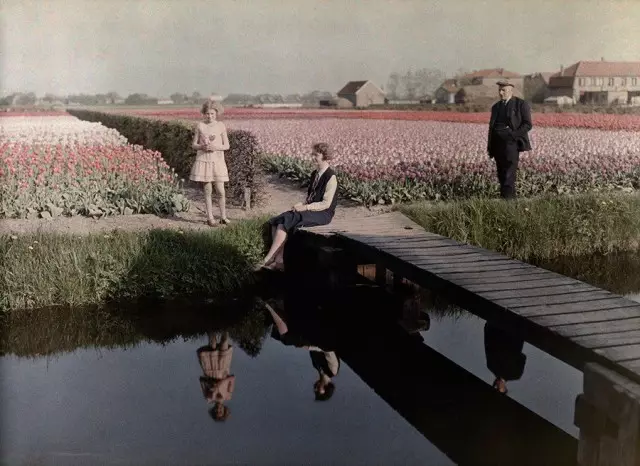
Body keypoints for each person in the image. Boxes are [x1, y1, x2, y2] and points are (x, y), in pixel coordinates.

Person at [256, 142, 338, 271]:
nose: (313, 157)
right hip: (312, 209)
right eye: (313, 154)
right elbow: (311, 197)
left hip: (323, 213)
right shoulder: (315, 174)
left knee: (288, 219)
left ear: (325, 156)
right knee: (277, 220)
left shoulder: (331, 176)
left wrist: (305, 208)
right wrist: (302, 204)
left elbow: (326, 204)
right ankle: (279, 261)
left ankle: (268, 259)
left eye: (316, 155)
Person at [265, 302, 340, 402]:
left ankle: (272, 309)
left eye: (315, 391)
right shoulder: (333, 370)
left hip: (312, 340)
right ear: (326, 390)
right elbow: (328, 349)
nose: (315, 389)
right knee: (287, 338)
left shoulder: (316, 366)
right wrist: (309, 347)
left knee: (281, 336)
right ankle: (269, 305)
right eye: (318, 392)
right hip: (318, 337)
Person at [487, 80, 532, 199]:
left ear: (511, 91)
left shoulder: (521, 104)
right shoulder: (496, 107)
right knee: (501, 176)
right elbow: (491, 128)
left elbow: (527, 124)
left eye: (504, 90)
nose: (501, 93)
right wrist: (490, 147)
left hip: (511, 145)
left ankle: (509, 204)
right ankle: (506, 204)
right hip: (497, 146)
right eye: (499, 90)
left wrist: (512, 135)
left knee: (509, 176)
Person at [190, 100, 231, 226]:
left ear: (216, 113)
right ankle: (210, 217)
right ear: (204, 114)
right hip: (205, 160)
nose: (210, 116)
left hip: (217, 161)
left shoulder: (221, 125)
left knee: (220, 190)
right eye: (207, 114)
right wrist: (202, 146)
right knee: (207, 190)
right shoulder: (200, 125)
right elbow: (194, 145)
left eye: (212, 114)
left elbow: (227, 145)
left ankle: (223, 216)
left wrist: (215, 147)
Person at [197, 330, 235, 421]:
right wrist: (220, 384)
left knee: (212, 342)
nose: (218, 410)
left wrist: (212, 384)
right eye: (220, 412)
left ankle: (212, 319)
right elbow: (232, 378)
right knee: (224, 341)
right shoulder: (228, 396)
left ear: (213, 410)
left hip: (210, 368)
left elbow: (201, 380)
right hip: (223, 366)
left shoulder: (208, 397)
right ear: (224, 410)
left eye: (216, 412)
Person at [483, 321, 526, 394]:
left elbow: (522, 357)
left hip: (513, 333)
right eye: (498, 388)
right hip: (508, 331)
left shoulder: (515, 374)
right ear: (505, 388)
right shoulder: (491, 366)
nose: (497, 386)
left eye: (496, 387)